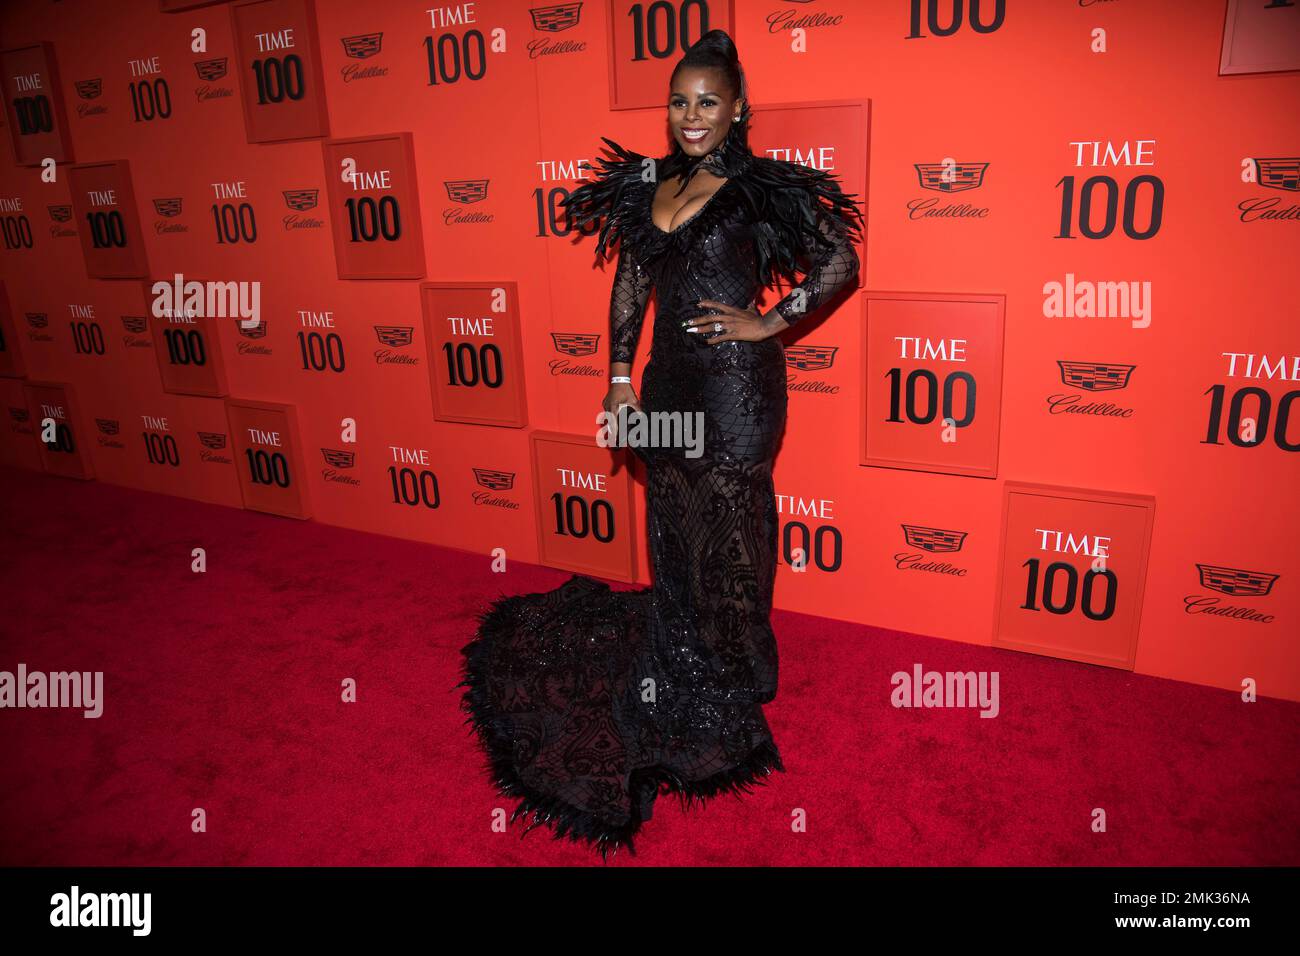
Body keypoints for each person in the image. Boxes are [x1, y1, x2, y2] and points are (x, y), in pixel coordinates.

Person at [457, 28, 863, 859]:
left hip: (740, 388)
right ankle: (684, 642)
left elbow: (840, 260)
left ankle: (748, 665)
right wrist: (616, 376)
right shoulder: (653, 184)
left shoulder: (756, 188)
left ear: (738, 108)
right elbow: (632, 281)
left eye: (708, 101)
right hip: (669, 386)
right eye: (680, 101)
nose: (691, 115)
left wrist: (769, 322)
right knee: (674, 520)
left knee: (736, 522)